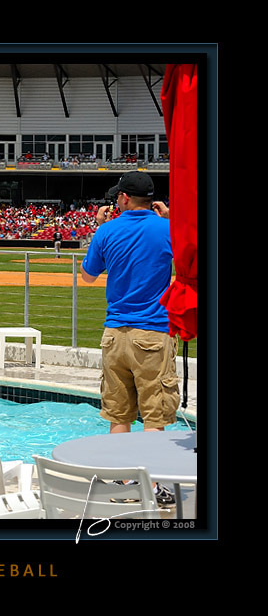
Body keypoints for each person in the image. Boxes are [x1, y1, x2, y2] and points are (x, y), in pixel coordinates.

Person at [79, 171, 178, 507]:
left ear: (122, 199)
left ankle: (123, 482)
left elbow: (89, 276)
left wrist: (99, 227)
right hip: (152, 332)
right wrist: (170, 220)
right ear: (153, 201)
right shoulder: (167, 229)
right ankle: (153, 485)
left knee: (119, 416)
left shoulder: (107, 230)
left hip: (114, 335)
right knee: (155, 416)